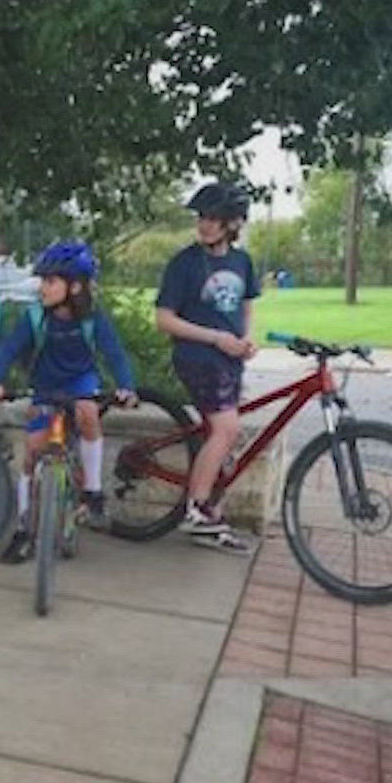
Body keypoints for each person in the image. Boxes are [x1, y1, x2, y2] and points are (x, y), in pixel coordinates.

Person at [0, 240, 138, 563]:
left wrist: (126, 386)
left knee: (87, 412)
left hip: (81, 383)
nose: (43, 288)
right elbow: (9, 349)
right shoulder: (36, 318)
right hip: (45, 388)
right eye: (42, 281)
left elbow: (115, 355)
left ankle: (92, 491)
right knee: (32, 454)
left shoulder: (93, 319)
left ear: (76, 286)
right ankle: (24, 530)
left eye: (51, 281)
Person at [155, 181, 261, 552]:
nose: (205, 225)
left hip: (230, 361)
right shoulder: (184, 264)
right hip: (198, 358)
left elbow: (247, 304)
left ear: (233, 223)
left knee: (223, 438)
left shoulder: (242, 261)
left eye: (213, 218)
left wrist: (246, 340)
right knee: (227, 430)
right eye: (202, 218)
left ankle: (213, 513)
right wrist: (216, 338)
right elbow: (164, 320)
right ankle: (196, 510)